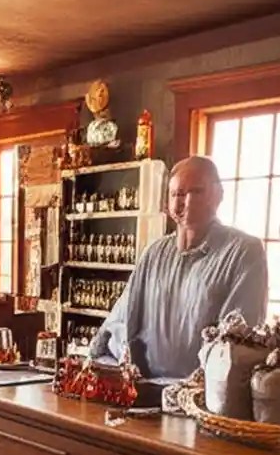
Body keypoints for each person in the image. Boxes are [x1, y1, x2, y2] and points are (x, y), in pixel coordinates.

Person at [90, 155, 267, 379]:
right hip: (144, 391)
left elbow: (239, 340)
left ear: (218, 196)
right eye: (176, 194)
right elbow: (121, 319)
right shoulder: (154, 253)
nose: (184, 201)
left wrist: (198, 386)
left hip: (203, 399)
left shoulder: (243, 251)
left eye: (196, 192)